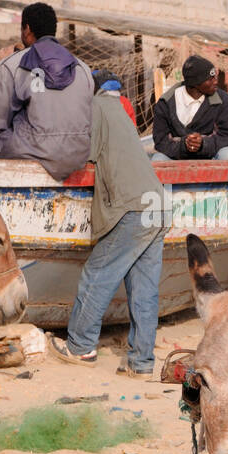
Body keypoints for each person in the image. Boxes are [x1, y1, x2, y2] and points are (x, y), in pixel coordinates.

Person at [48, 72, 167, 376]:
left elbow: (79, 154)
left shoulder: (97, 108)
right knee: (144, 291)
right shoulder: (121, 112)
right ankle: (141, 364)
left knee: (97, 275)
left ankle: (80, 346)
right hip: (158, 204)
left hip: (132, 207)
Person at [0, 2, 93, 179]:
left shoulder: (13, 65)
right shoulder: (83, 68)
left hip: (36, 152)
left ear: (27, 29)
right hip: (78, 155)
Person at [151, 56, 228, 161]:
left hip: (211, 155)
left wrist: (203, 144)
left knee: (227, 155)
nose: (215, 82)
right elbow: (161, 141)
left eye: (215, 77)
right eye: (210, 79)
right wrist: (184, 145)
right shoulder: (166, 103)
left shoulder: (223, 100)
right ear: (195, 83)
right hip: (176, 156)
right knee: (158, 161)